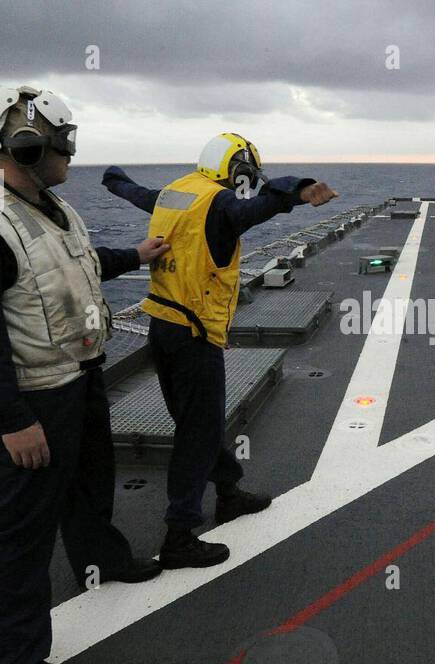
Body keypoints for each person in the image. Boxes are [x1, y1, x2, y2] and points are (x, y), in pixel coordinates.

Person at [0, 85, 171, 664]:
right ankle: (12, 661)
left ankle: (104, 561)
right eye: (64, 143)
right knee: (18, 528)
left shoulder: (48, 207)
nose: (71, 153)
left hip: (79, 378)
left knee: (91, 482)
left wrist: (137, 254)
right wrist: (11, 419)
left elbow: (76, 266)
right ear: (26, 146)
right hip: (29, 401)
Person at [101, 134, 338, 567]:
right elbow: (255, 208)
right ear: (238, 169)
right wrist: (297, 189)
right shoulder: (221, 204)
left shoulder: (175, 195)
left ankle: (228, 492)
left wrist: (113, 178)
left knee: (200, 424)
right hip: (193, 337)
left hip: (164, 328)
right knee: (197, 434)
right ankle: (179, 535)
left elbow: (134, 192)